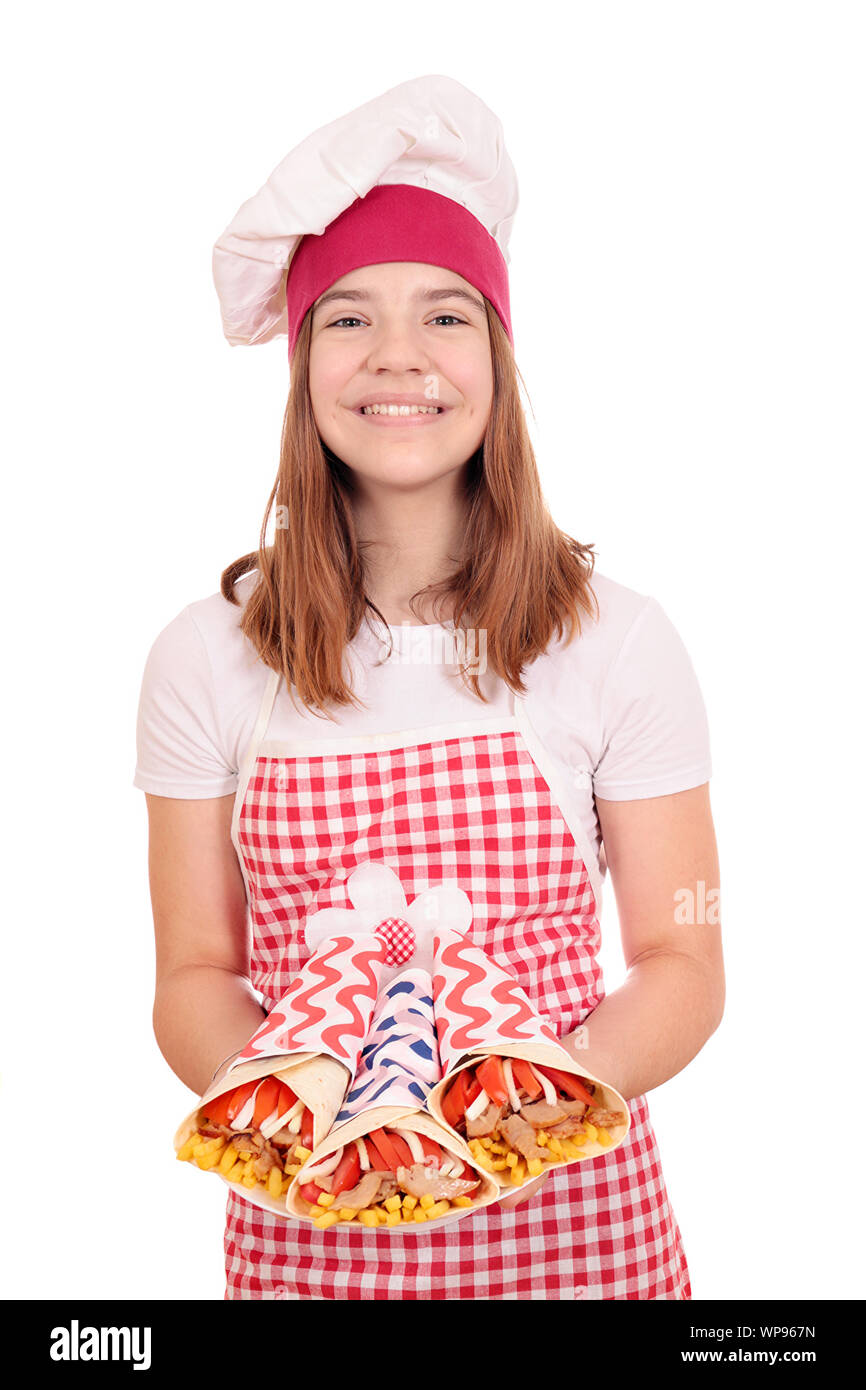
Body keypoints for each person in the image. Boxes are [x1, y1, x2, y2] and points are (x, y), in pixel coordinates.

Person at [134, 74, 724, 1300]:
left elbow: (683, 954)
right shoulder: (207, 656)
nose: (397, 357)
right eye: (347, 318)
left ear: (498, 357)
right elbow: (193, 970)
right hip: (312, 1240)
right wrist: (297, 1108)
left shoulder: (614, 640)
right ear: (300, 365)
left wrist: (530, 1102)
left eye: (444, 316)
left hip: (578, 1238)